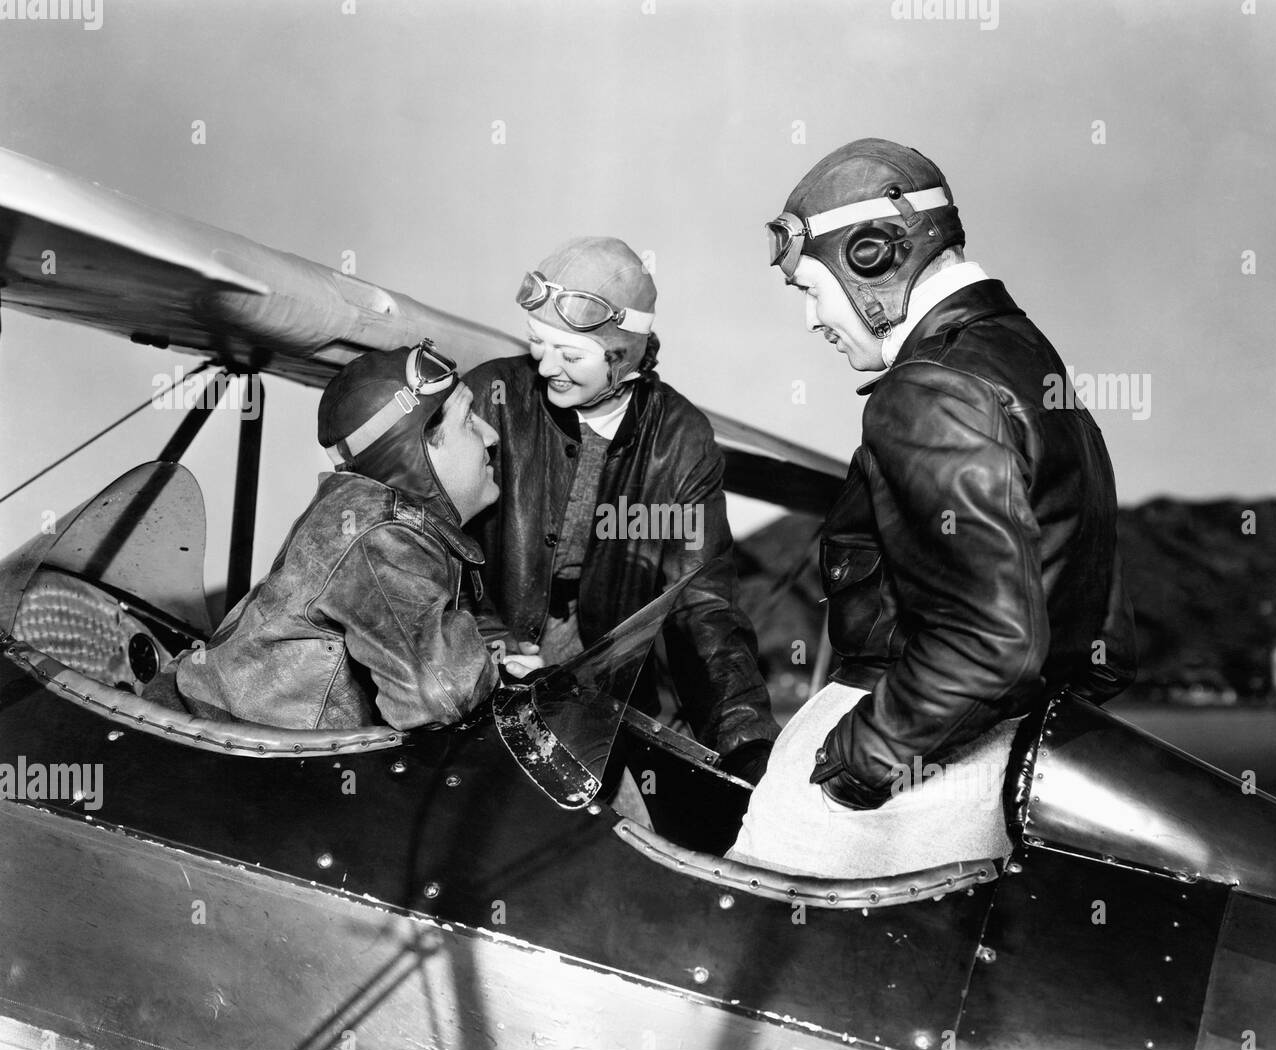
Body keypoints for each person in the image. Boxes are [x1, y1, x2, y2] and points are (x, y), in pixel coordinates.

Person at [730, 138, 1136, 877]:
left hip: (895, 794)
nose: (812, 320)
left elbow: (993, 642)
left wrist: (854, 763)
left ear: (873, 256)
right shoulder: (1027, 357)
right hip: (992, 769)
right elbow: (1103, 629)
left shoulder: (931, 389)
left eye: (810, 290)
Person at [462, 237, 779, 781]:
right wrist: (495, 651)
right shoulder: (493, 395)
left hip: (602, 686)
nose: (545, 368)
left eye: (570, 355)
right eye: (538, 343)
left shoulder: (679, 441)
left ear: (623, 355)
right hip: (476, 653)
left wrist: (745, 743)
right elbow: (437, 549)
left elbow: (702, 606)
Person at [155, 341, 541, 731]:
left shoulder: (378, 517)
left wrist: (500, 658)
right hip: (222, 763)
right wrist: (503, 677)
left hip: (223, 742)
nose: (491, 436)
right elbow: (439, 697)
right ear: (416, 449)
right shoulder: (382, 535)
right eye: (469, 420)